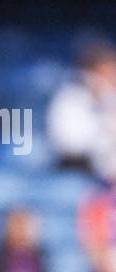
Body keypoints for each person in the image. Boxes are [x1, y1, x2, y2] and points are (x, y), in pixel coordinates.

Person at [46, 42, 116, 181]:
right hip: (77, 171)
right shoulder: (70, 98)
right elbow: (71, 143)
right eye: (109, 70)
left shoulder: (109, 96)